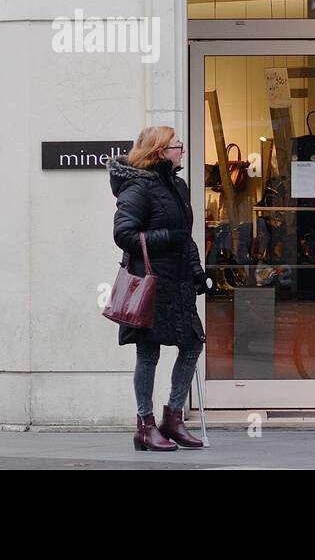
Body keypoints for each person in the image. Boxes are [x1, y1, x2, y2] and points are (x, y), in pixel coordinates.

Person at [108, 126, 213, 451]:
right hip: (152, 284)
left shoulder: (177, 186)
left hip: (178, 282)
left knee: (193, 344)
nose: (182, 149)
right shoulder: (139, 187)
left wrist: (198, 273)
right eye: (177, 145)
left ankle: (173, 417)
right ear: (159, 151)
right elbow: (123, 233)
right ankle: (145, 425)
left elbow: (186, 236)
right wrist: (167, 238)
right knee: (149, 352)